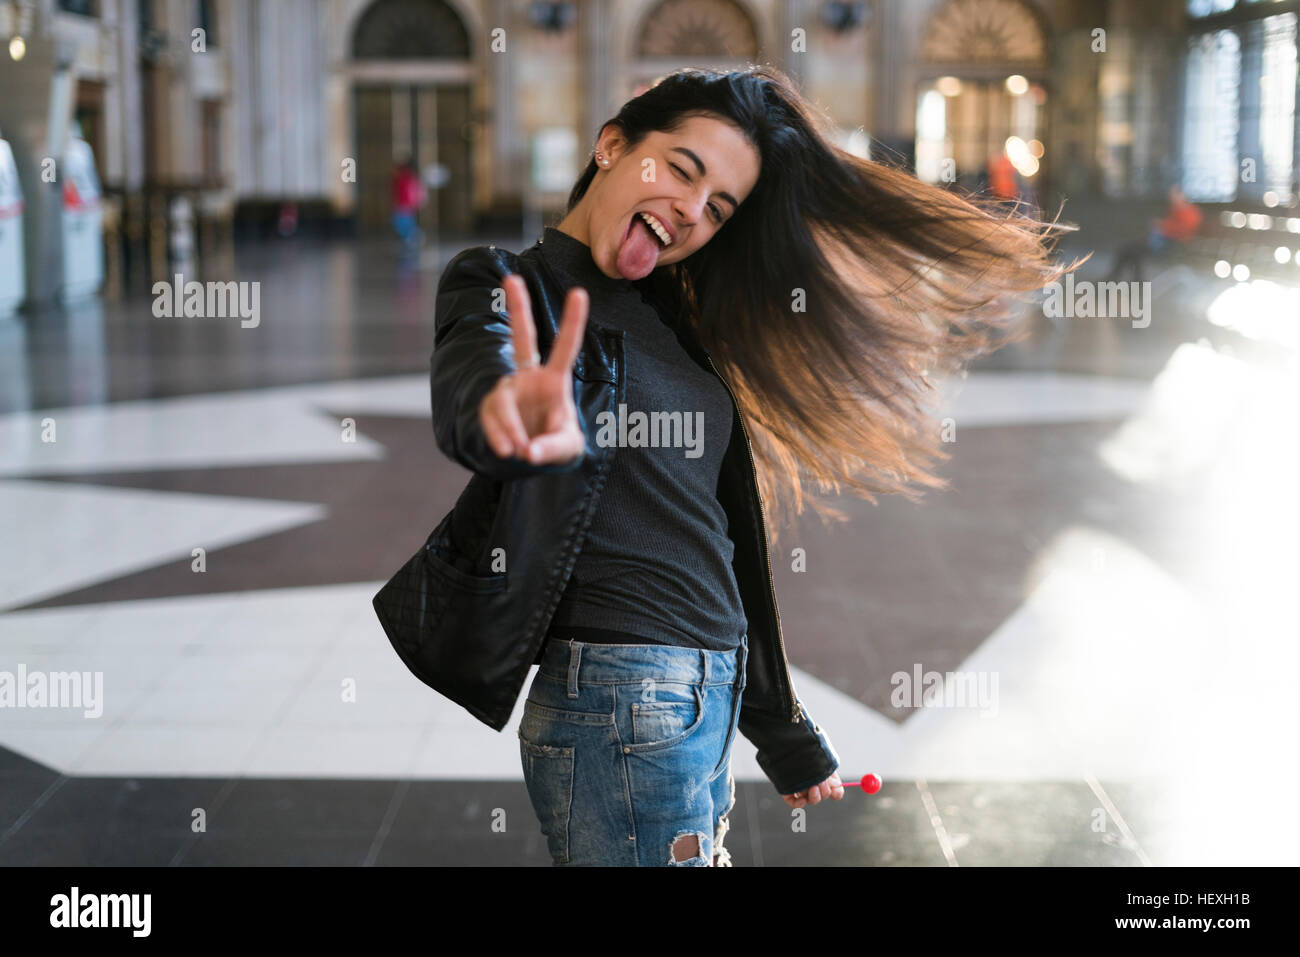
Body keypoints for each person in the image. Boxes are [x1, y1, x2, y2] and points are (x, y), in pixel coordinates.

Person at [421, 66, 1073, 866]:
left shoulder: (679, 319)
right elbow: (474, 372)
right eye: (682, 170)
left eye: (719, 207)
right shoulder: (509, 284)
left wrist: (779, 724)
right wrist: (506, 413)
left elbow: (715, 543)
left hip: (694, 699)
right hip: (623, 698)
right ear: (613, 144)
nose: (692, 210)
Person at [1108, 184, 1202, 282]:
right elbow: (1171, 226)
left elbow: (1181, 231)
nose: (1171, 199)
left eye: (1173, 196)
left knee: (1133, 251)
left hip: (1173, 245)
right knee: (1129, 249)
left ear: (1181, 195)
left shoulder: (1190, 212)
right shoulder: (1177, 210)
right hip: (1165, 242)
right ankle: (1122, 279)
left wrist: (1161, 226)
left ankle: (1132, 281)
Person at [390, 157, 425, 251]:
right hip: (404, 205)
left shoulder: (406, 178)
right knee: (403, 222)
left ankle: (414, 237)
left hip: (405, 205)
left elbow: (409, 193)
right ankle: (411, 238)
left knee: (401, 222)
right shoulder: (403, 178)